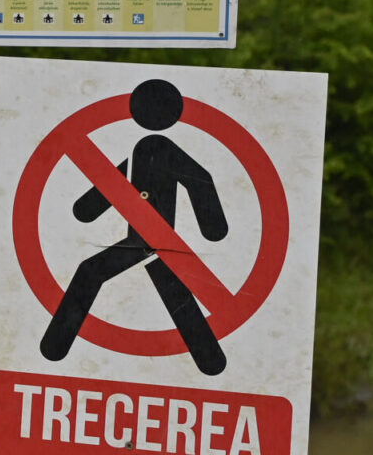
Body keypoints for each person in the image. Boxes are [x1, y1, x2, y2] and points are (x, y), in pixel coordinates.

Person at [39, 79, 230, 375]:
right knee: (163, 288)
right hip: (141, 240)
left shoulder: (159, 149)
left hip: (157, 242)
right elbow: (115, 184)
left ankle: (55, 346)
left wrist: (212, 225)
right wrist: (213, 226)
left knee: (99, 274)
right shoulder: (143, 150)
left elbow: (196, 179)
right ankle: (211, 360)